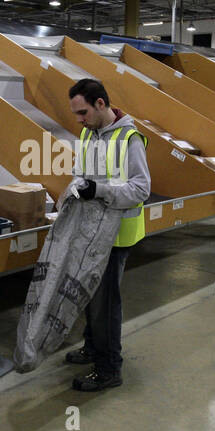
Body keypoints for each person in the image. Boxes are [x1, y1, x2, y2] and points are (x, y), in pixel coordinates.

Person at [61, 78, 151, 392]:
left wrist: (98, 190)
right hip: (90, 231)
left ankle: (109, 367)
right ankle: (92, 347)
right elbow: (82, 174)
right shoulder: (88, 133)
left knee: (106, 303)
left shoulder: (130, 138)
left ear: (101, 104)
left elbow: (141, 189)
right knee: (89, 294)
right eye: (76, 114)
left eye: (83, 111)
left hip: (117, 235)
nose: (79, 119)